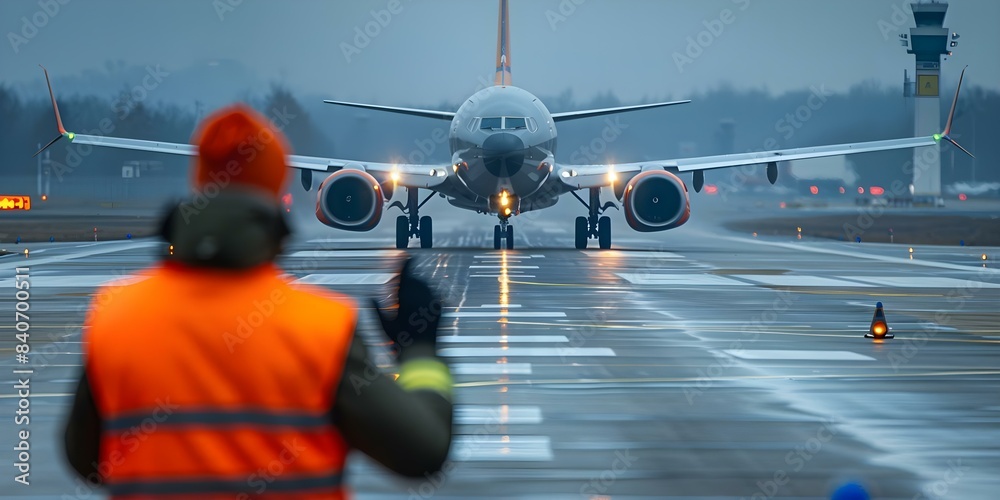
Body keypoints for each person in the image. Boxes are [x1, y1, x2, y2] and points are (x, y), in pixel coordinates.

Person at [63, 104, 453, 498]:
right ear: (276, 190)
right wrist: (419, 352)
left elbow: (84, 459)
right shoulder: (321, 326)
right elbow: (421, 452)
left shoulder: (117, 316)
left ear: (199, 184)